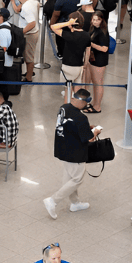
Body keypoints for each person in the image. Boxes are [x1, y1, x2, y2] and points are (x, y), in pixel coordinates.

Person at [44, 89, 103, 218]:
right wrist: (96, 131)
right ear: (83, 102)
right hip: (75, 153)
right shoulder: (81, 117)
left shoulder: (64, 107)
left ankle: (75, 203)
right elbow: (89, 139)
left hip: (62, 148)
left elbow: (70, 126)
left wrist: (86, 127)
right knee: (77, 179)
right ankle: (53, 201)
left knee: (69, 177)